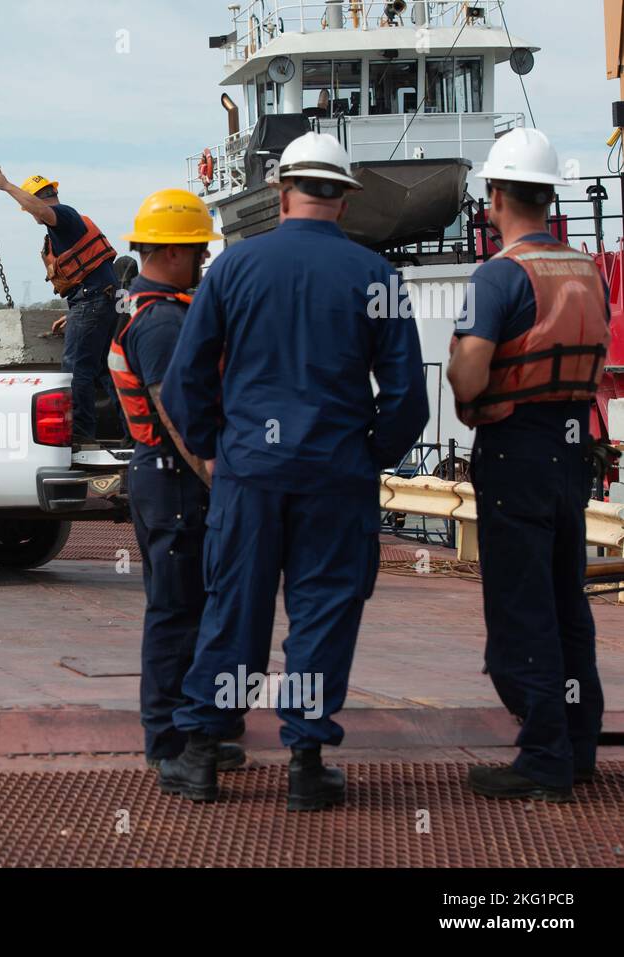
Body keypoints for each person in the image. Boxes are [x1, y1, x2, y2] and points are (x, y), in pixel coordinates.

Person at [158, 133, 429, 808]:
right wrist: (369, 454)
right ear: (344, 201)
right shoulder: (379, 278)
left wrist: (214, 449)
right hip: (336, 476)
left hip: (250, 473)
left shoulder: (231, 269)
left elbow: (184, 381)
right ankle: (305, 764)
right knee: (324, 611)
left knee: (234, 608)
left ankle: (199, 755)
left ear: (282, 194)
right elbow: (408, 400)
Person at [448, 129, 609, 802]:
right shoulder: (586, 271)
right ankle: (576, 746)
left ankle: (541, 756)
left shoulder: (498, 276)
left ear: (496, 195)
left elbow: (467, 380)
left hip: (516, 449)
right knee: (566, 599)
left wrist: (464, 375)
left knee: (522, 608)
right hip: (572, 452)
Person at [107, 189, 245, 782]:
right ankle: (167, 742)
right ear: (171, 252)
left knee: (190, 608)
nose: (203, 262)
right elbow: (176, 415)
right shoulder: (162, 321)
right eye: (196, 251)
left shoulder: (161, 309)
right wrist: (217, 478)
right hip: (175, 480)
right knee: (175, 612)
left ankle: (191, 732)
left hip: (164, 478)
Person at [0, 169, 120, 445]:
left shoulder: (65, 217)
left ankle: (82, 435)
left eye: (29, 207)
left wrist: (6, 186)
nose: (32, 215)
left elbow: (44, 211)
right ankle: (131, 431)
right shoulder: (62, 230)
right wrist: (74, 313)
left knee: (75, 369)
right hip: (98, 302)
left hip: (93, 302)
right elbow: (94, 276)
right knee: (104, 370)